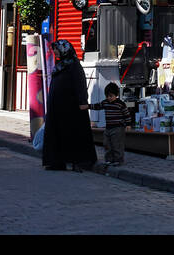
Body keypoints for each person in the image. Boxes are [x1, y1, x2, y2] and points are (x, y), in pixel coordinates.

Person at [41, 40, 96, 172]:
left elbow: (80, 85)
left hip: (71, 107)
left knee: (73, 134)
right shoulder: (60, 65)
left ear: (64, 50)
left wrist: (83, 102)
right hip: (57, 108)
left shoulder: (74, 66)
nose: (54, 52)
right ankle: (57, 162)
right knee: (57, 134)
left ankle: (78, 162)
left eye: (56, 49)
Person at [88, 83, 130, 165]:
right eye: (107, 96)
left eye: (111, 96)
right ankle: (109, 159)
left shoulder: (120, 104)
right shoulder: (105, 102)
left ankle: (118, 160)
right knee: (107, 144)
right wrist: (88, 106)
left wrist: (128, 124)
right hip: (108, 128)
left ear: (116, 95)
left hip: (118, 128)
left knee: (117, 145)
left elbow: (126, 114)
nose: (109, 98)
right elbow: (97, 106)